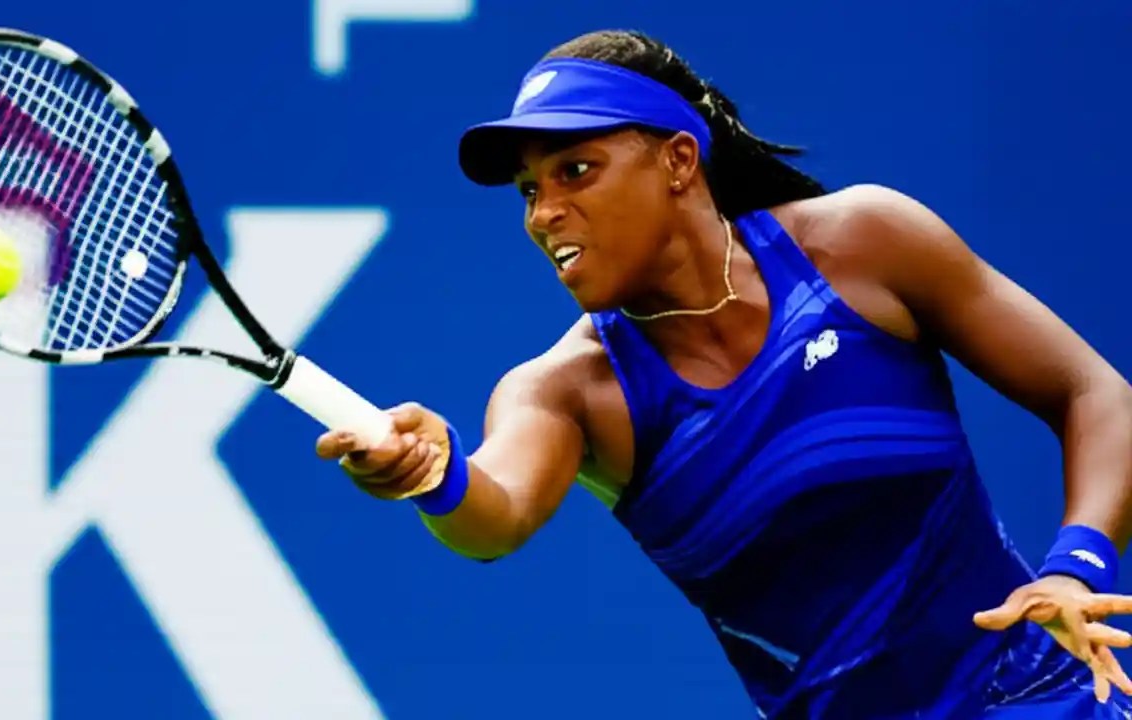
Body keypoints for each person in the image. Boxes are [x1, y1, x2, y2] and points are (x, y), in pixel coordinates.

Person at [315, 29, 1132, 718]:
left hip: (1045, 699)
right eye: (529, 190)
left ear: (677, 160)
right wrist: (434, 474)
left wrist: (1076, 563)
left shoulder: (861, 246)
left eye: (575, 171)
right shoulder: (568, 391)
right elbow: (493, 514)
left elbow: (1095, 393)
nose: (543, 214)